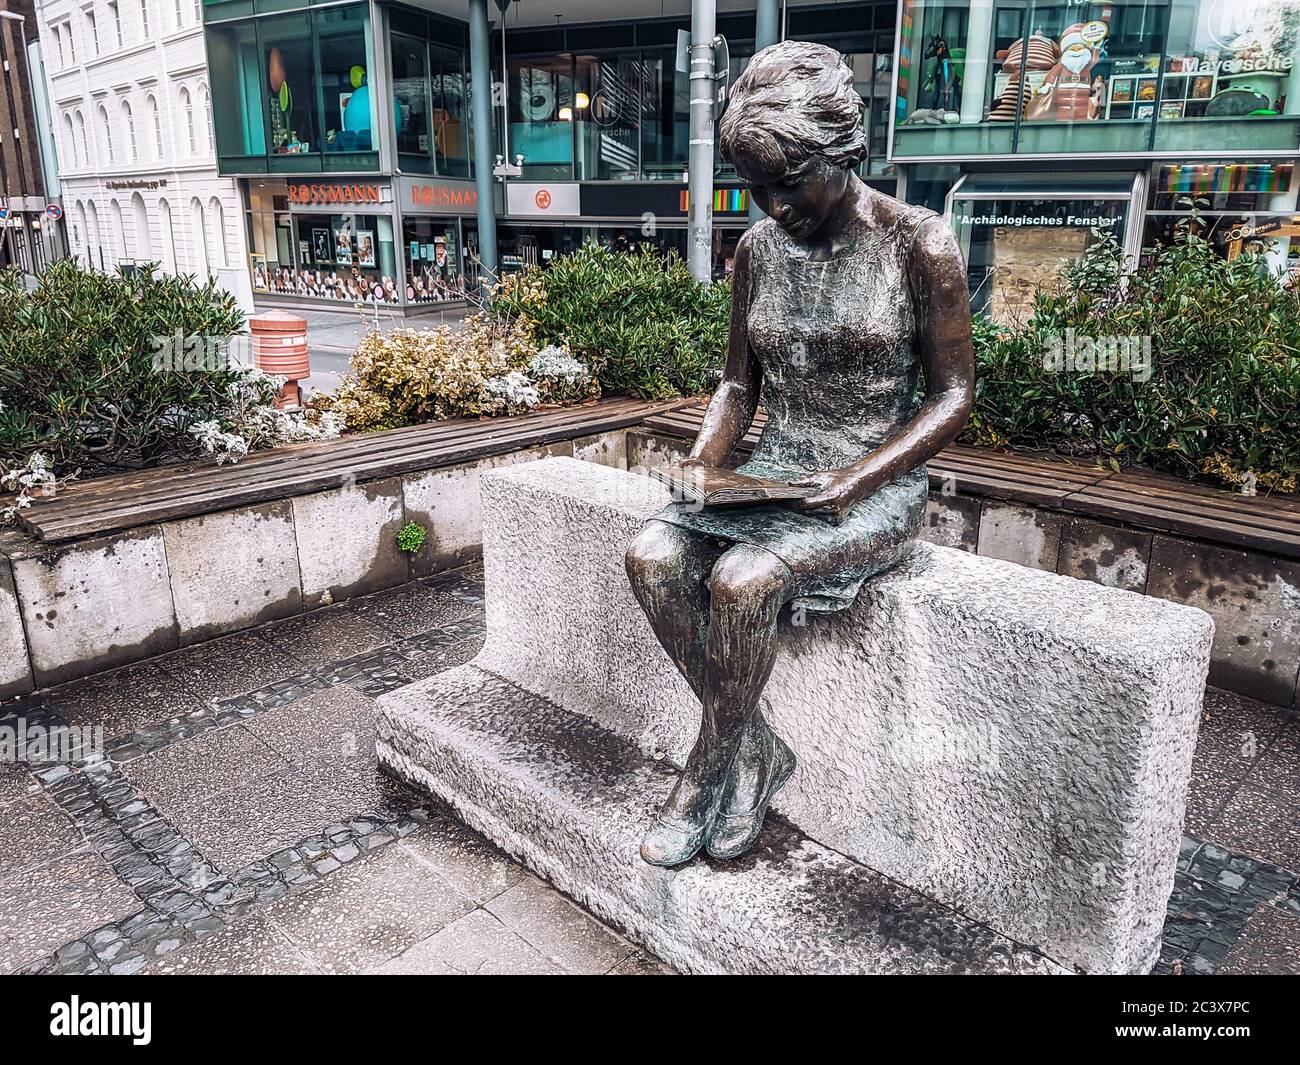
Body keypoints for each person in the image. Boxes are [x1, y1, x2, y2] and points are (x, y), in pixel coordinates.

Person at [624, 41, 976, 866]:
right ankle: (754, 750)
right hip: (771, 473)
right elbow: (737, 387)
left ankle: (705, 769)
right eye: (756, 186)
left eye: (788, 182)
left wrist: (855, 477)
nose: (772, 204)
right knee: (650, 553)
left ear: (840, 155)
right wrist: (703, 463)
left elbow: (953, 396)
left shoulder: (920, 244)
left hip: (868, 483)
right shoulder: (757, 250)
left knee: (745, 578)